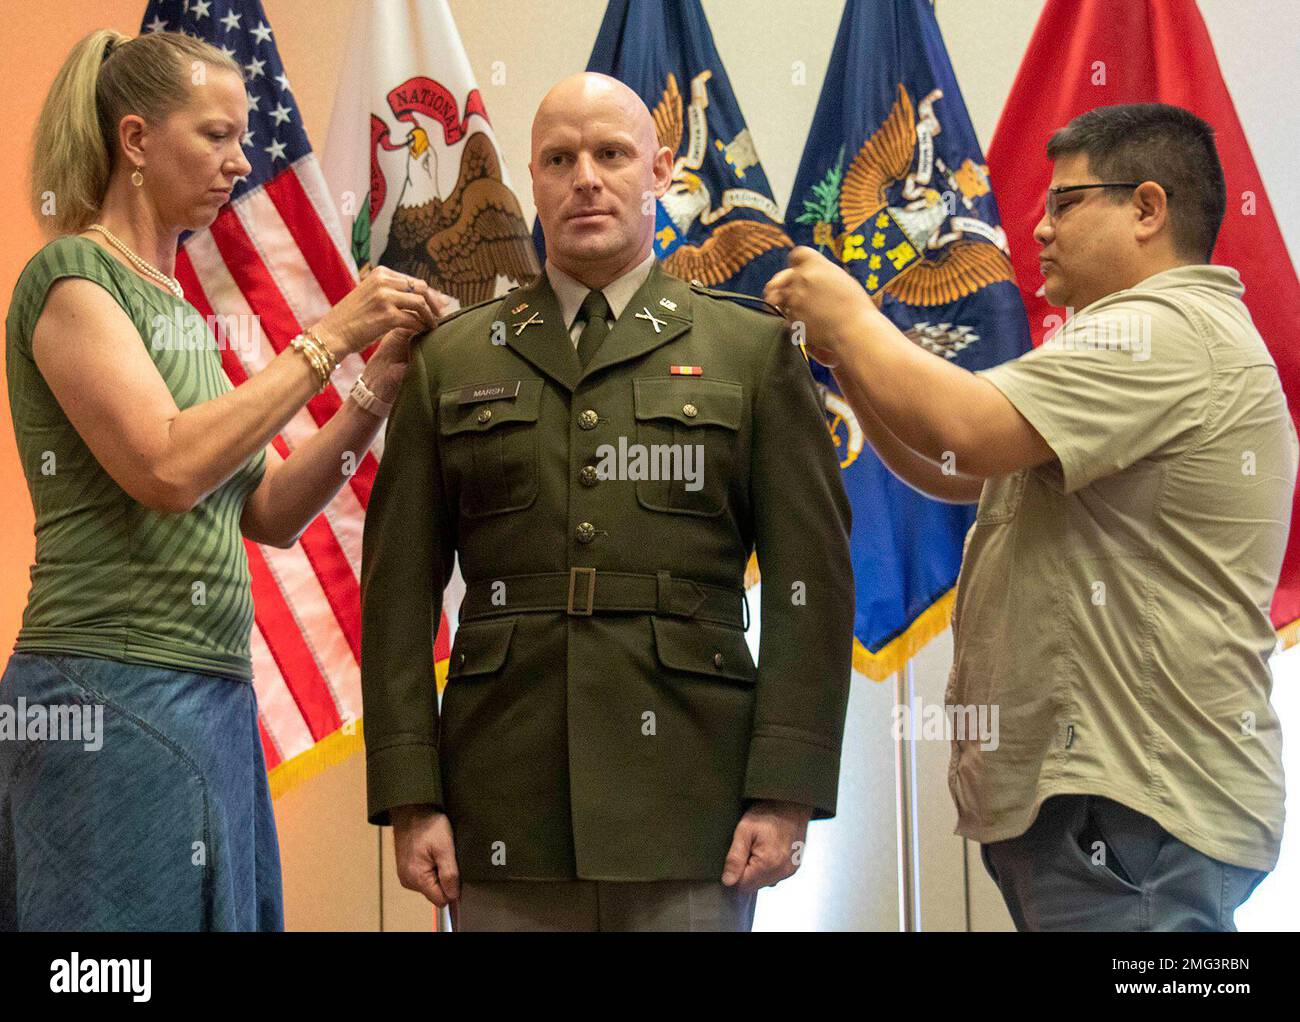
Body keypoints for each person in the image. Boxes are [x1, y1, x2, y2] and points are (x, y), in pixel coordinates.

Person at [766, 102, 1296, 932]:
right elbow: (954, 468)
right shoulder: (1138, 338)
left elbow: (967, 429)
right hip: (1114, 813)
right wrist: (848, 359)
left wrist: (857, 318)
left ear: (1148, 209)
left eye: (1066, 202)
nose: (1038, 228)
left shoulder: (1160, 333)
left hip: (1132, 818)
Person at [360, 72, 854, 932]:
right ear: (532, 182)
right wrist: (410, 796)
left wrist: (788, 791)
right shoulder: (454, 358)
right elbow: (397, 591)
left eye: (611, 154)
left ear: (659, 170)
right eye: (559, 158)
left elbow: (814, 585)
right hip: (503, 804)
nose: (585, 176)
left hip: (696, 802)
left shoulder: (752, 350)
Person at [0, 29, 446, 931]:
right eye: (215, 136)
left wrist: (375, 386)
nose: (240, 162)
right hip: (108, 691)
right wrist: (326, 336)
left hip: (208, 693)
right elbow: (166, 467)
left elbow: (271, 511)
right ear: (133, 141)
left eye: (244, 138)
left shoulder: (176, 311)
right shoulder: (71, 279)